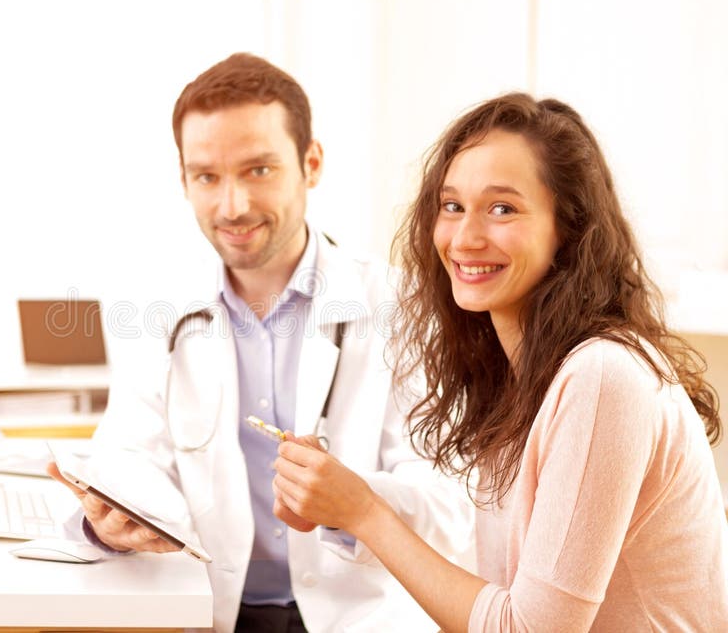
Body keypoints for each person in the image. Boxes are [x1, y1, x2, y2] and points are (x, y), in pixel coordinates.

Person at [46, 52, 474, 632]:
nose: (233, 206)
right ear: (184, 180)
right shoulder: (159, 312)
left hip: (356, 614)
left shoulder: (399, 305)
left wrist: (353, 502)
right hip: (211, 609)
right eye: (207, 176)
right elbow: (130, 454)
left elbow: (450, 505)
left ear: (311, 162)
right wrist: (114, 517)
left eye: (258, 170)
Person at [272, 92, 728, 631]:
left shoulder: (603, 376)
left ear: (569, 227)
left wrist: (362, 512)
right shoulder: (519, 379)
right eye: (452, 206)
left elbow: (528, 628)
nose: (465, 238)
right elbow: (488, 573)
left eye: (503, 208)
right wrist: (347, 498)